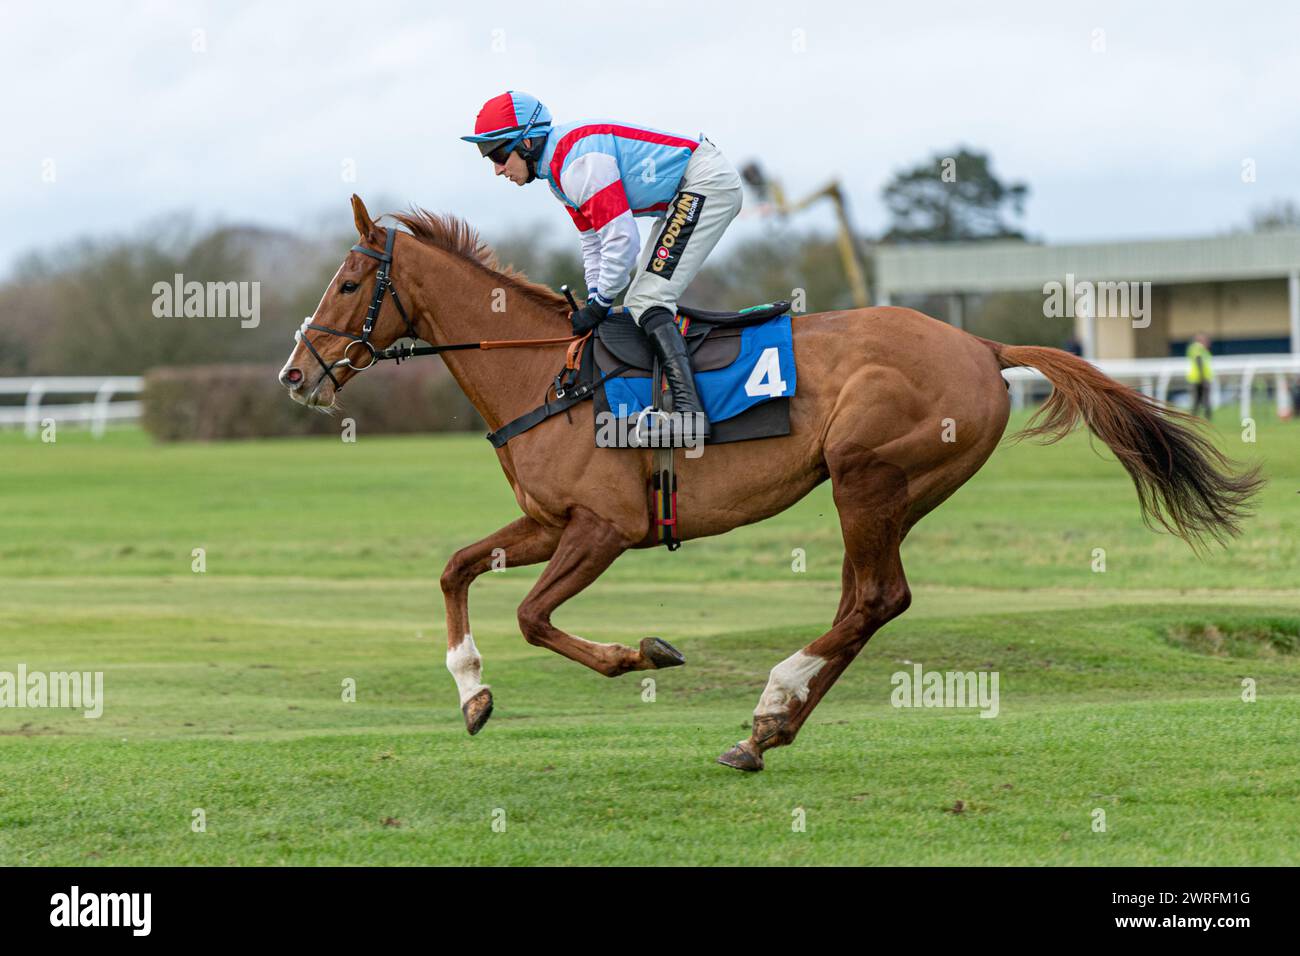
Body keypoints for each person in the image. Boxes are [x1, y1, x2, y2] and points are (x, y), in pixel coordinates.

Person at [462, 91, 744, 442]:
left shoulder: (578, 164)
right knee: (640, 300)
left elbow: (623, 243)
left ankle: (689, 415)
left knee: (648, 299)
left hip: (705, 184)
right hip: (683, 193)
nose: (497, 168)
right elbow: (593, 243)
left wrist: (598, 306)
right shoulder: (559, 172)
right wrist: (595, 297)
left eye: (500, 154)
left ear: (530, 141)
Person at [1185, 333, 1214, 418]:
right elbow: (1199, 362)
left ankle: (1196, 418)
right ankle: (1204, 419)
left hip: (1197, 378)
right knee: (1202, 400)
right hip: (1199, 378)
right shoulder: (1197, 348)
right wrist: (1203, 378)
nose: (1208, 342)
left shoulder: (1201, 349)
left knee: (1198, 401)